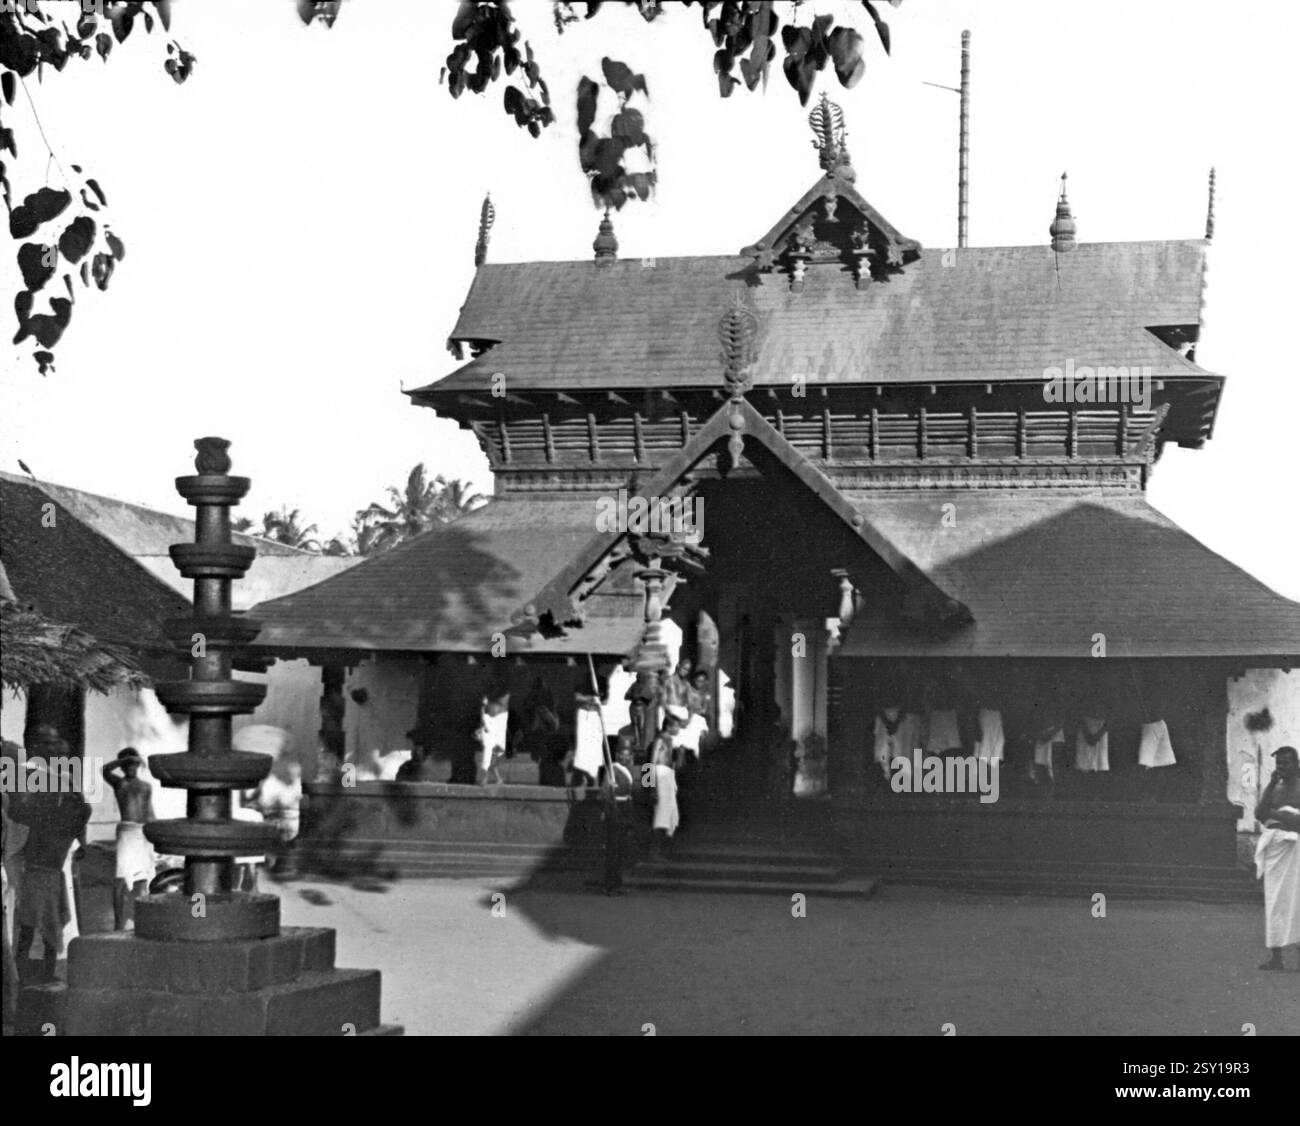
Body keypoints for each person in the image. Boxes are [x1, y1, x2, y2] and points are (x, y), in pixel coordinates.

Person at [10, 745, 90, 983]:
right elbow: (84, 807)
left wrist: (56, 782)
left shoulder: (44, 818)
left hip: (38, 876)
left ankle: (24, 975)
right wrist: (63, 785)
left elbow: (20, 808)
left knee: (30, 931)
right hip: (47, 877)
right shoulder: (63, 823)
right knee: (47, 934)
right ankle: (42, 976)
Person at [1253, 745, 1300, 971]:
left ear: (1297, 764)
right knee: (1275, 902)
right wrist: (1271, 784)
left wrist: (1277, 814)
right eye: (1278, 763)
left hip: (1295, 848)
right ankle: (1277, 958)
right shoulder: (1275, 787)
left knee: (1297, 903)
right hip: (1275, 848)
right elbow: (1259, 814)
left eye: (1286, 763)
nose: (1281, 767)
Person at [102, 748, 156, 930]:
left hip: (143, 832)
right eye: (126, 765)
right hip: (127, 831)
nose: (130, 768)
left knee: (144, 877)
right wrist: (127, 759)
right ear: (122, 766)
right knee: (121, 878)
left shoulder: (146, 786)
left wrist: (154, 833)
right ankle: (118, 923)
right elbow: (104, 770)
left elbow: (150, 812)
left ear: (138, 765)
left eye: (133, 764)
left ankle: (144, 919)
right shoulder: (120, 784)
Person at [647, 706, 687, 856]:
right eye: (676, 726)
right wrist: (650, 788)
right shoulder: (658, 740)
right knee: (661, 817)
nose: (678, 730)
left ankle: (663, 850)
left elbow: (675, 766)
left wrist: (679, 757)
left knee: (671, 816)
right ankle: (654, 851)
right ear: (669, 726)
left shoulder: (670, 741)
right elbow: (649, 763)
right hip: (660, 776)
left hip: (668, 776)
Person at [600, 743, 637, 895]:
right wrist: (610, 801)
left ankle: (618, 883)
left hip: (627, 809)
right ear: (616, 755)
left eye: (628, 754)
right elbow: (604, 792)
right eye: (621, 754)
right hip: (615, 810)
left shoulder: (635, 770)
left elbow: (646, 787)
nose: (624, 757)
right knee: (613, 849)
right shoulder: (612, 770)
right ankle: (609, 886)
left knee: (622, 848)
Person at [475, 691, 509, 786]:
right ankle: (495, 779)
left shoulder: (492, 710)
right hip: (493, 740)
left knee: (490, 762)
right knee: (491, 763)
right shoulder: (489, 710)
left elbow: (487, 723)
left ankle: (487, 780)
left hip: (494, 740)